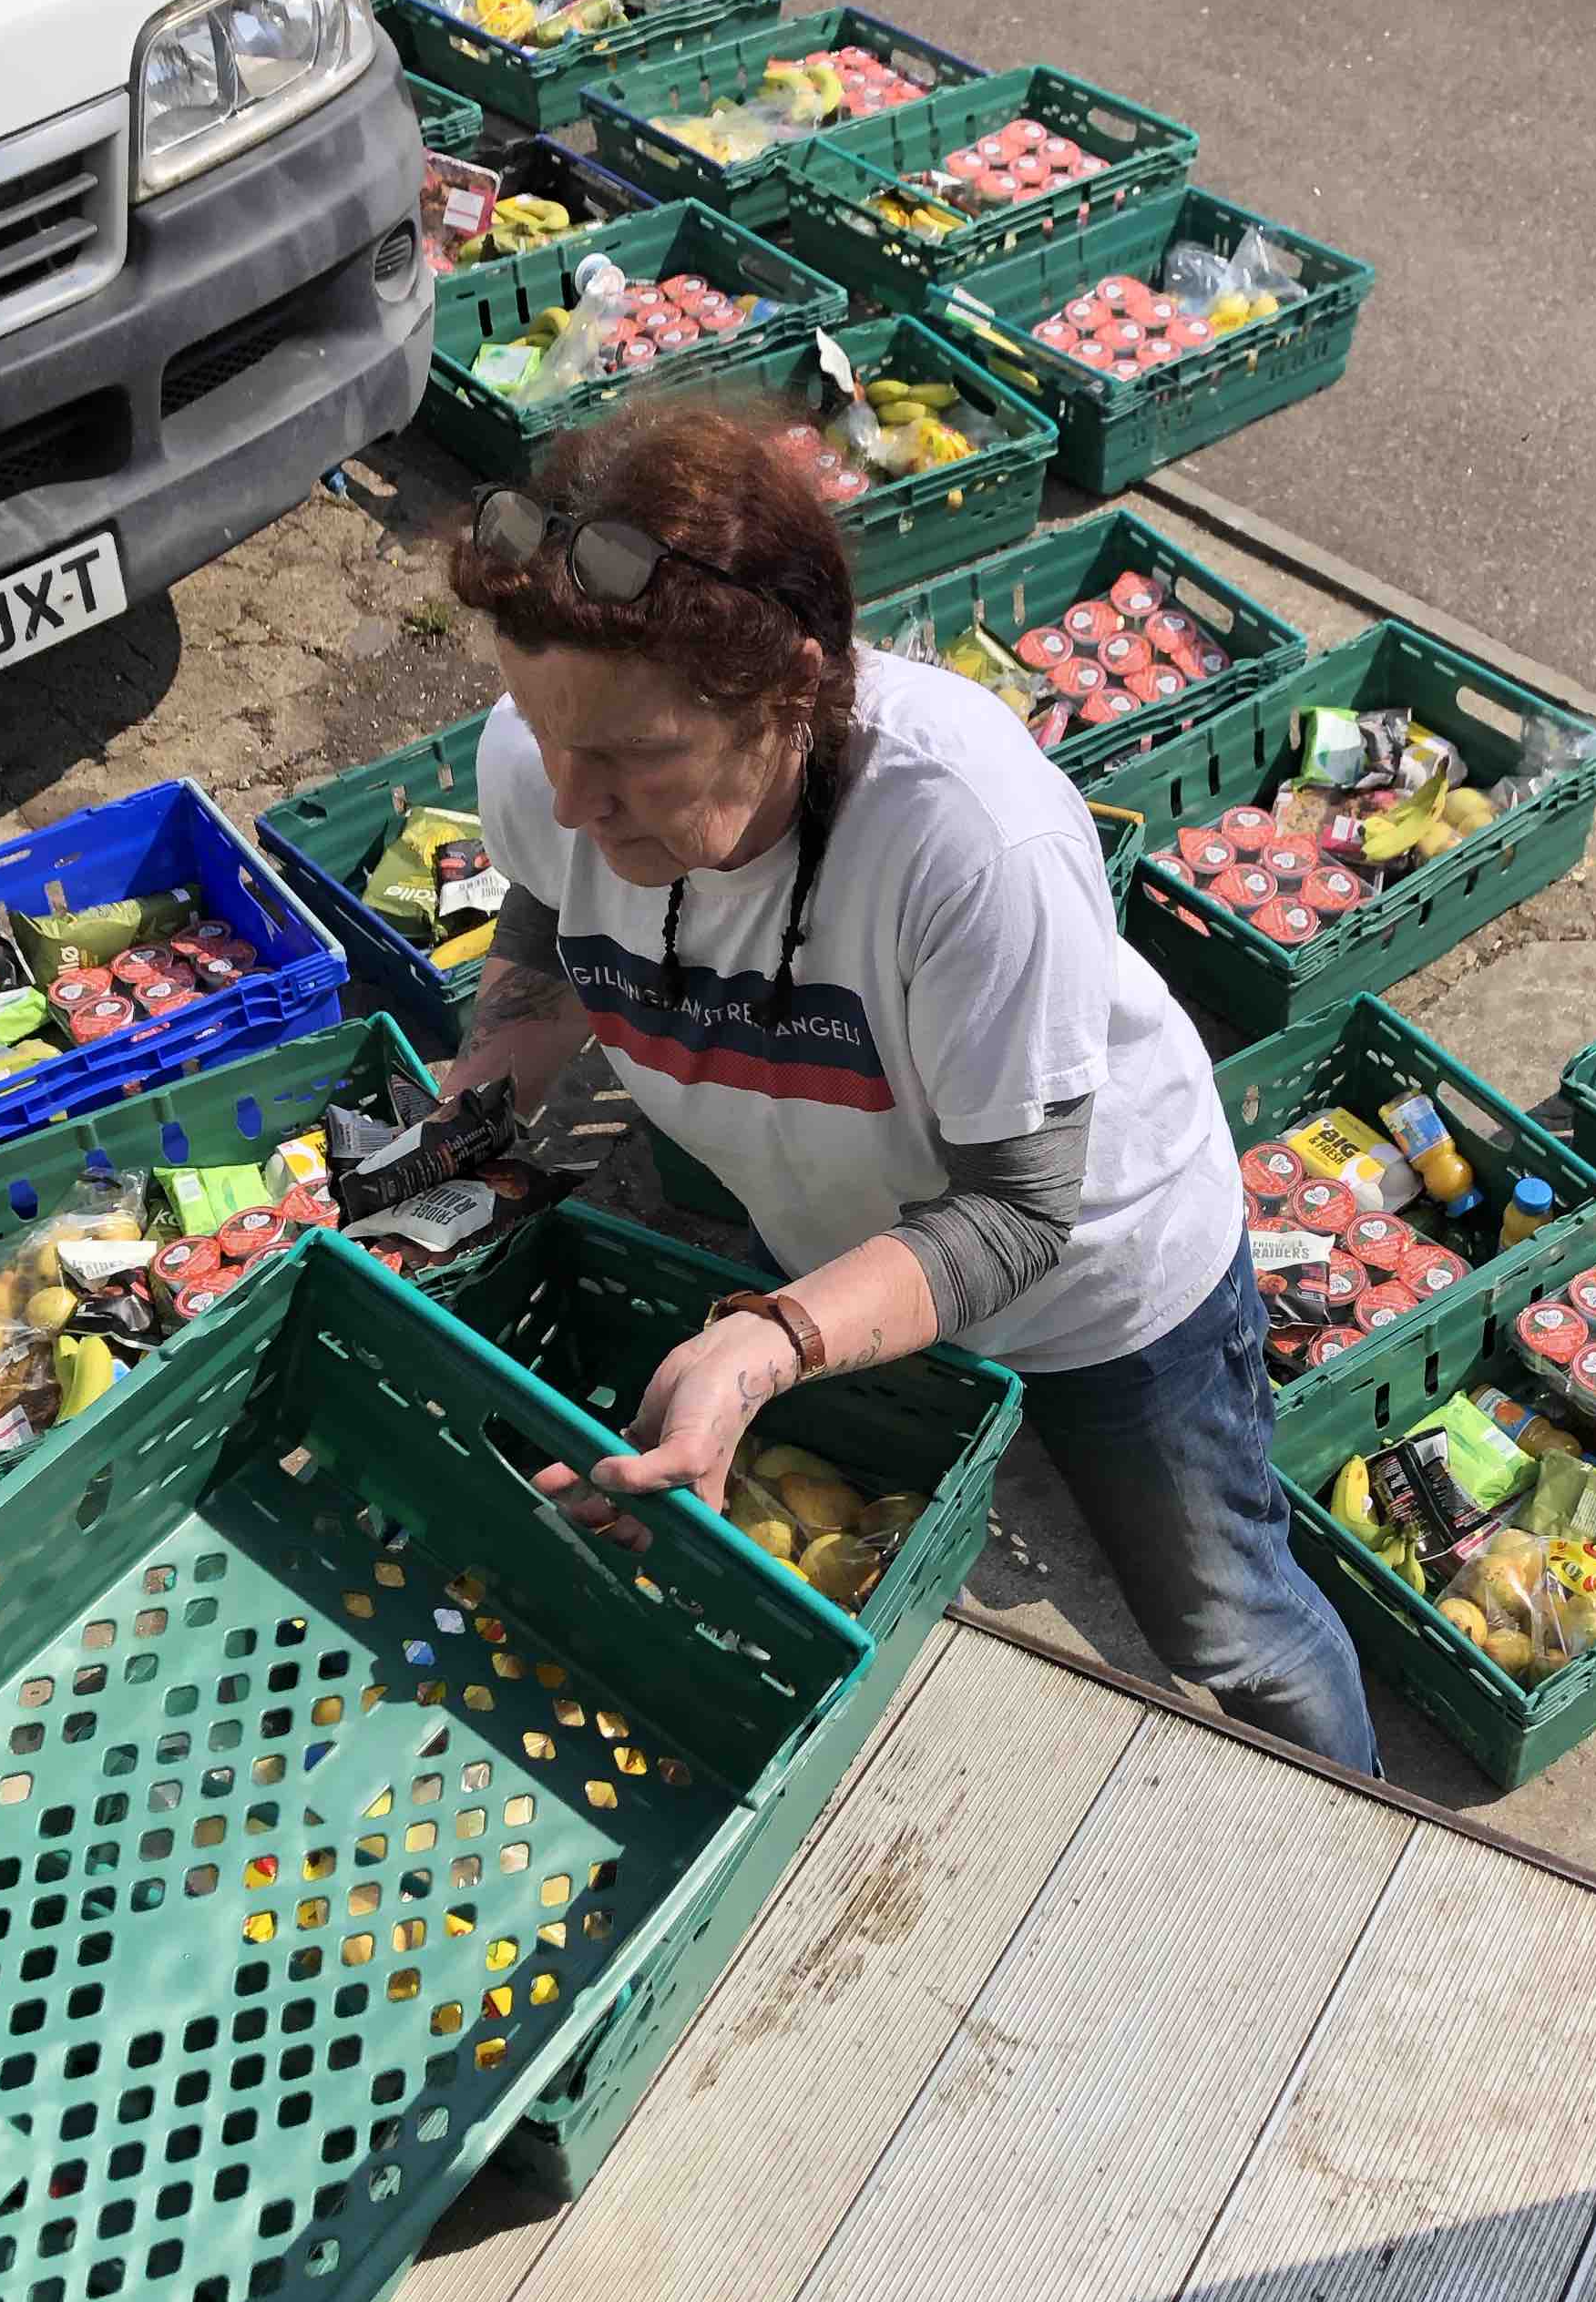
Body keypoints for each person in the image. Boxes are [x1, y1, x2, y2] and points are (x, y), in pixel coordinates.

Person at [439, 392, 1379, 1776]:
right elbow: (543, 900)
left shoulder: (965, 834)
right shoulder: (552, 766)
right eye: (545, 733)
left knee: (1227, 1628)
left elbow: (1018, 1209)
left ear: (790, 690)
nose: (573, 800)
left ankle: (1359, 1811)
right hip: (840, 1250)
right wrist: (469, 1119)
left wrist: (768, 1339)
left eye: (636, 758)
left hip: (1100, 1282)